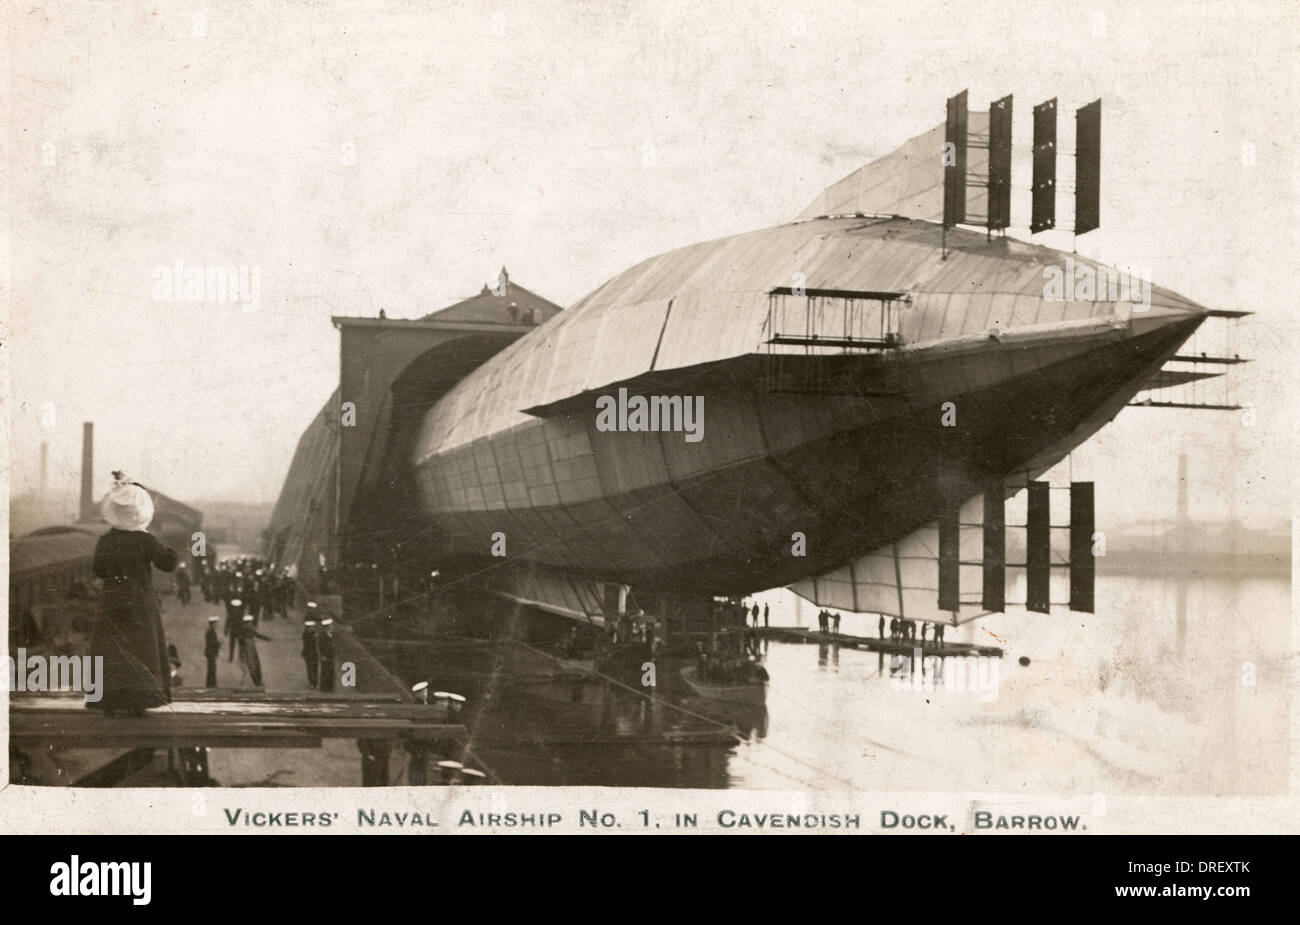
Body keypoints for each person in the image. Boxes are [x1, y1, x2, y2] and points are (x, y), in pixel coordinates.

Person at [234, 614, 272, 687]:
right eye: (250, 622)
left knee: (254, 666)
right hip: (248, 651)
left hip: (251, 650)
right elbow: (243, 641)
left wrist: (267, 638)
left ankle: (256, 682)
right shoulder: (245, 629)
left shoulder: (248, 628)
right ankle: (255, 682)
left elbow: (257, 635)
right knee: (253, 666)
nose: (251, 623)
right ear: (247, 622)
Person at [317, 617, 336, 692]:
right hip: (325, 656)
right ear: (327, 627)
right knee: (325, 672)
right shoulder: (323, 635)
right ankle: (325, 688)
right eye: (331, 625)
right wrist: (322, 655)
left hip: (330, 656)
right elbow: (321, 646)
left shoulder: (330, 634)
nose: (332, 626)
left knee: (330, 671)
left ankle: (330, 687)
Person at [301, 619, 320, 689]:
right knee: (310, 668)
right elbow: (307, 643)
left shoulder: (314, 633)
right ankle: (311, 682)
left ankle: (315, 682)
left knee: (315, 667)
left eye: (313, 626)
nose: (313, 628)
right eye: (312, 627)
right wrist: (314, 637)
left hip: (314, 653)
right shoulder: (305, 634)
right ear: (308, 627)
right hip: (308, 653)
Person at [204, 616, 221, 687]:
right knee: (212, 668)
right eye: (216, 623)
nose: (217, 625)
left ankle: (210, 683)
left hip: (210, 652)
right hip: (211, 652)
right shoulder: (211, 632)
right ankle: (212, 684)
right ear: (213, 624)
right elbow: (212, 643)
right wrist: (219, 643)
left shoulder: (210, 631)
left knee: (211, 668)